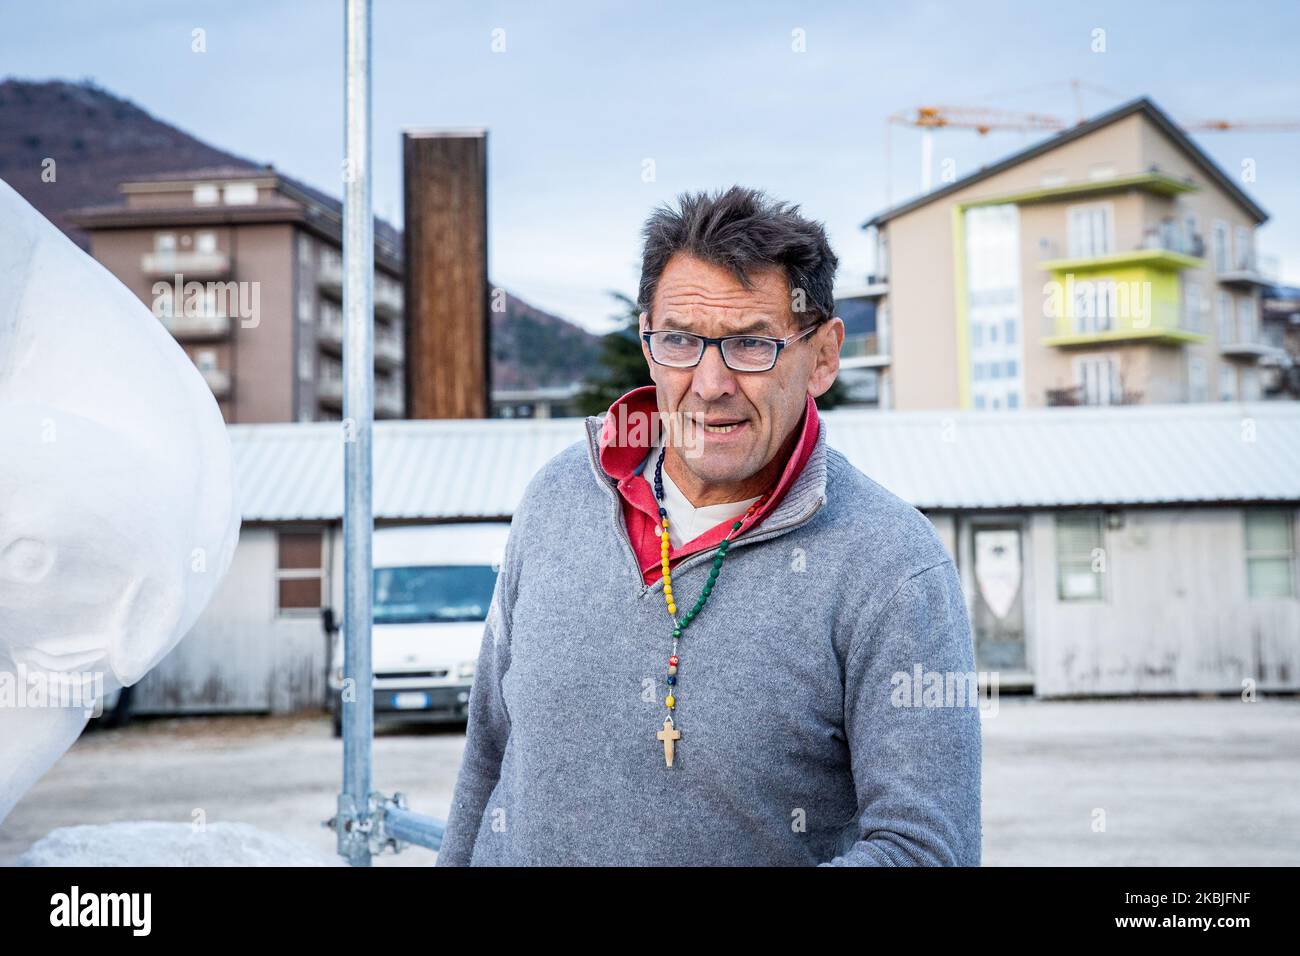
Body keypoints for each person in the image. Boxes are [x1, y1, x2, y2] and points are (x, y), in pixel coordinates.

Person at [436, 185, 981, 866]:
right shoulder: (557, 499)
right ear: (648, 342)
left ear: (823, 356)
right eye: (680, 341)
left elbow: (926, 850)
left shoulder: (893, 566)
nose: (711, 381)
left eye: (752, 343)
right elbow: (488, 752)